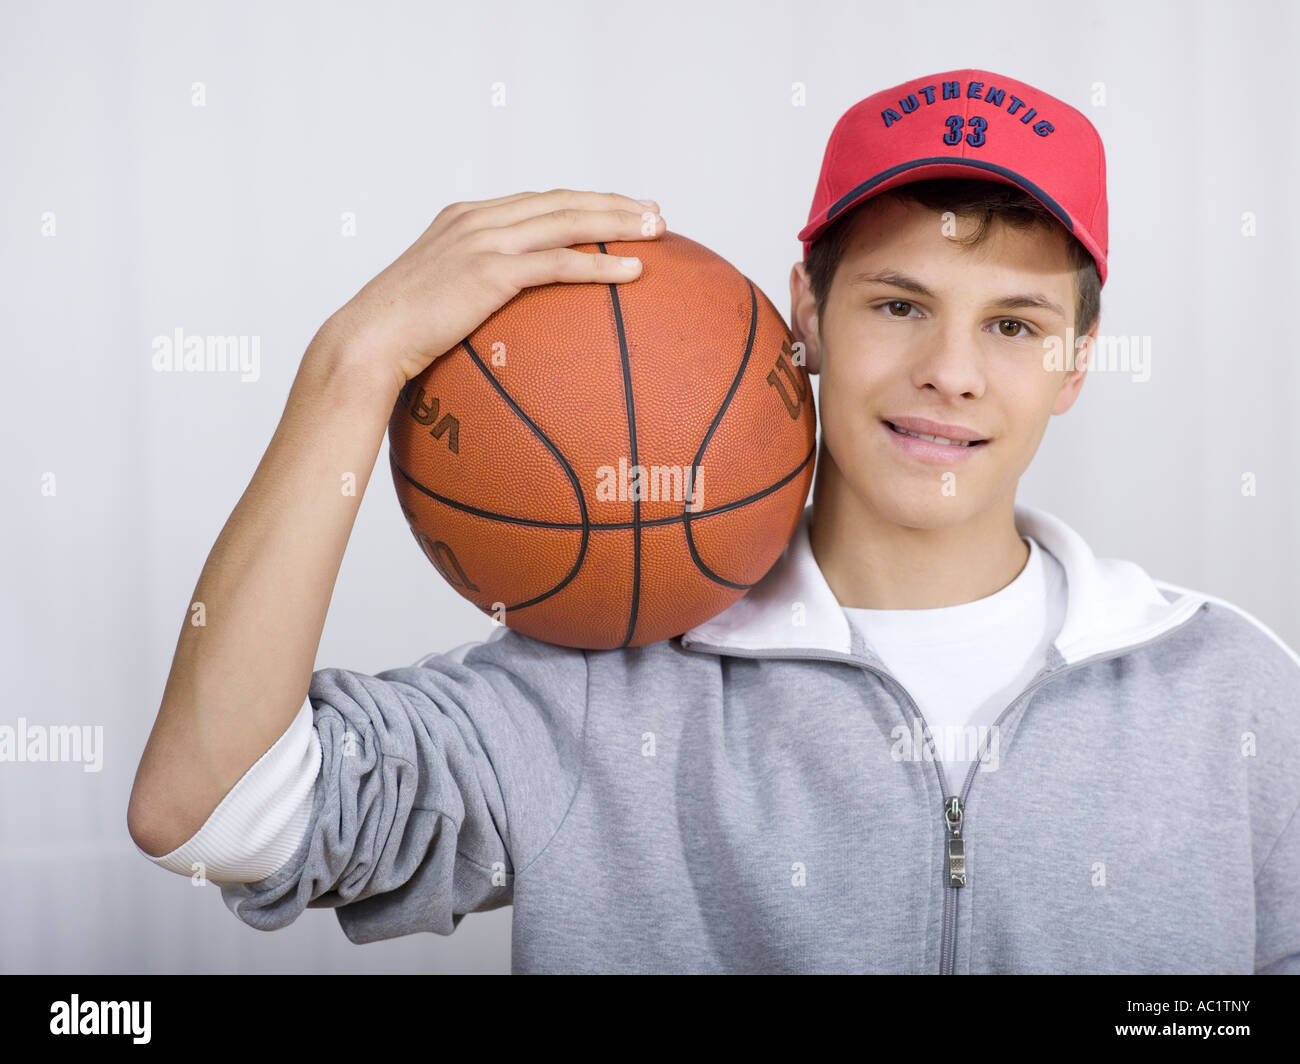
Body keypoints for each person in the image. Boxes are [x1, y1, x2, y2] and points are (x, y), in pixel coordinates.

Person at [127, 67, 1300, 974]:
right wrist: (354, 361)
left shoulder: (1229, 689)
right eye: (899, 303)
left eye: (1012, 324)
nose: (951, 372)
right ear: (806, 310)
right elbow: (211, 810)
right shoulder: (599, 677)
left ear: (1076, 360)